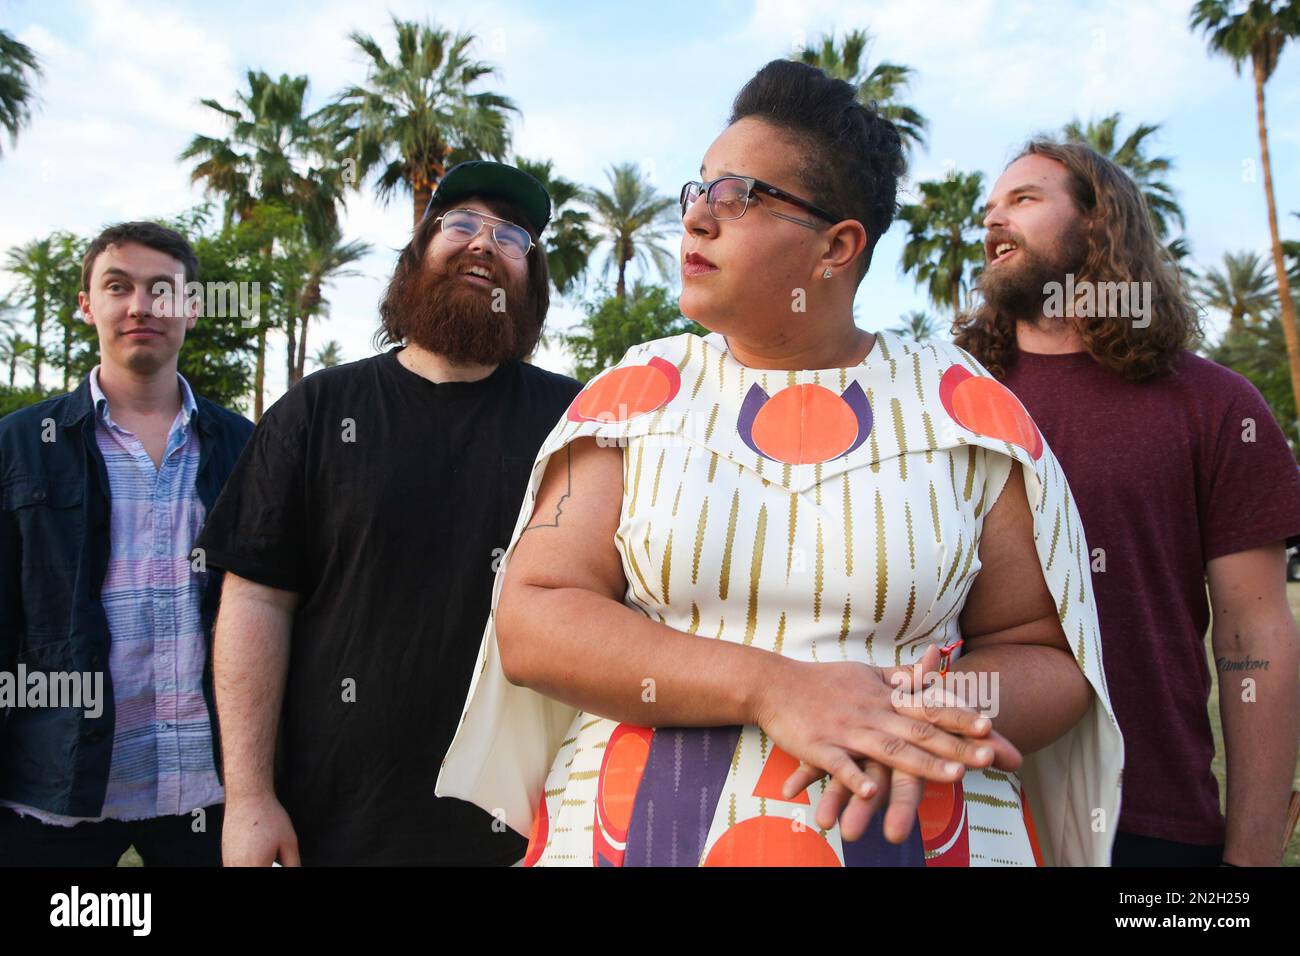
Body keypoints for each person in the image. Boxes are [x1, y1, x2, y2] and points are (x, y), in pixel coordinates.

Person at [437, 62, 1123, 867]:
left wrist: (928, 712)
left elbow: (1047, 655)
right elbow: (534, 620)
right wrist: (773, 687)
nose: (697, 220)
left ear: (837, 246)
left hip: (926, 842)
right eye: (696, 192)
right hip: (631, 841)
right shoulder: (633, 395)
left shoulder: (962, 408)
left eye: (737, 196)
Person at [196, 161, 582, 866]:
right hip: (337, 824)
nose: (483, 244)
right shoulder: (317, 411)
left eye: (512, 236)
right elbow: (256, 602)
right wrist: (250, 798)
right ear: (417, 256)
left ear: (533, 281)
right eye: (460, 224)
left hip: (533, 827)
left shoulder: (574, 420)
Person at [955, 140, 1300, 867]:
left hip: (1152, 824)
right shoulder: (942, 402)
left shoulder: (1213, 404)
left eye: (1023, 200)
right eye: (988, 210)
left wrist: (1254, 851)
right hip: (959, 811)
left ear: (1100, 222)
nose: (993, 222)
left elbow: (1255, 636)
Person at [0, 221, 253, 865]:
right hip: (53, 788)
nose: (141, 305)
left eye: (162, 290)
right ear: (87, 305)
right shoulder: (20, 446)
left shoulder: (247, 447)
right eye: (118, 286)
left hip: (209, 783)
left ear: (191, 309)